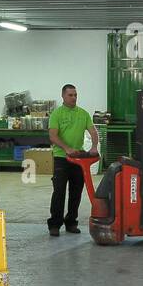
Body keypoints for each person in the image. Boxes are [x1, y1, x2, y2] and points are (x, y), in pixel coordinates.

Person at [47, 83, 99, 237]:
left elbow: (93, 131)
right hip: (61, 158)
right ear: (63, 96)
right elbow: (53, 136)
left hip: (78, 160)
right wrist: (66, 148)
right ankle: (55, 224)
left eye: (75, 95)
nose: (73, 98)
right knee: (59, 192)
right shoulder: (57, 114)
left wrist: (94, 146)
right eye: (70, 95)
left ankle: (71, 223)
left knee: (76, 192)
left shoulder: (83, 114)